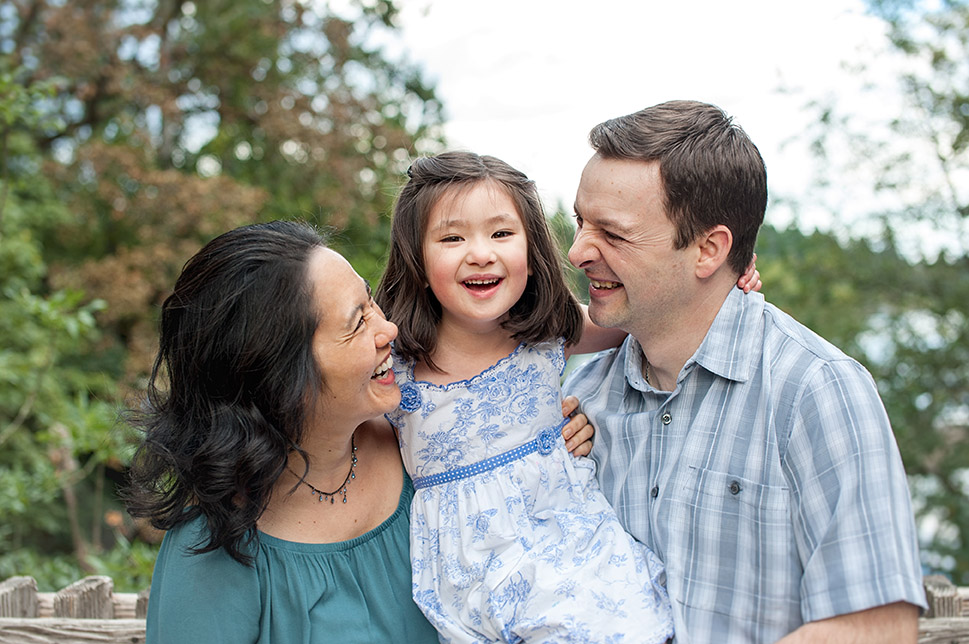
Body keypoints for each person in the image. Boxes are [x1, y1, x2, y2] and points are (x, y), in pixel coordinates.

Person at [124, 220, 594, 643]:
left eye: (370, 301)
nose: (388, 328)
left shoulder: (429, 445)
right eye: (356, 324)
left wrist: (556, 441)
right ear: (279, 376)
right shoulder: (211, 549)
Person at [562, 100, 927, 644]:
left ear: (709, 249)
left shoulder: (818, 391)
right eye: (580, 223)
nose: (576, 252)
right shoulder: (582, 396)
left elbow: (878, 624)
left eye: (612, 234)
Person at [376, 151, 760, 643]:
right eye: (452, 238)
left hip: (568, 546)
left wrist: (730, 281)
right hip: (467, 567)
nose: (480, 253)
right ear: (417, 260)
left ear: (532, 254)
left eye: (501, 233)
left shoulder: (548, 334)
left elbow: (648, 317)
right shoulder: (395, 366)